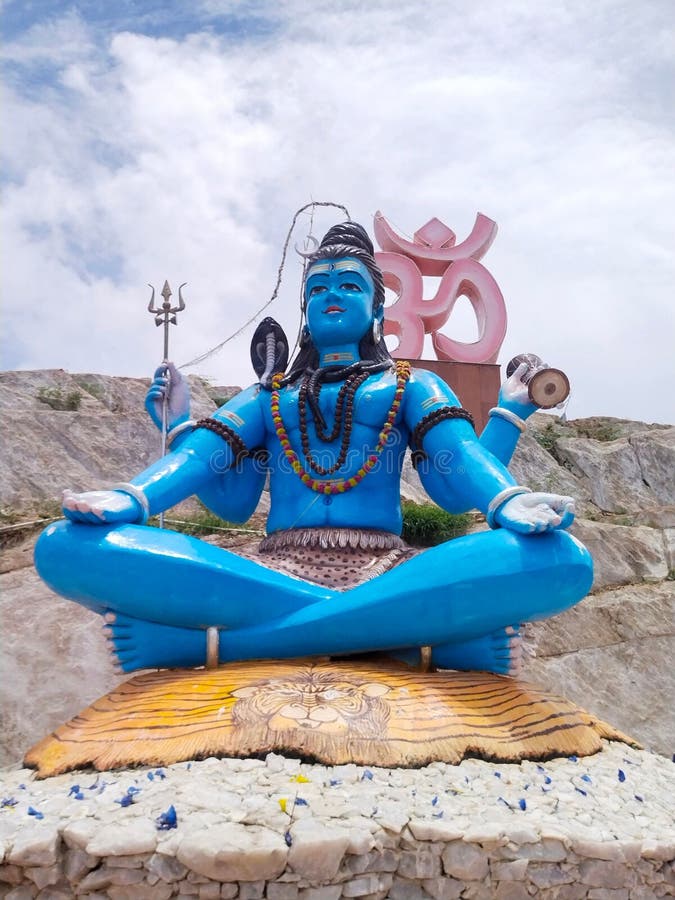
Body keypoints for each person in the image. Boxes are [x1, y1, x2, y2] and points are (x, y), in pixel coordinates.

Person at [35, 222, 592, 676]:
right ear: (304, 309)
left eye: (349, 285)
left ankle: (224, 647)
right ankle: (412, 642)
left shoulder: (411, 384)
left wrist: (504, 499)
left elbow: (456, 471)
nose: (332, 295)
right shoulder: (268, 397)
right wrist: (138, 490)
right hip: (272, 568)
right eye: (319, 287)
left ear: (377, 310)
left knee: (561, 559)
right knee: (65, 546)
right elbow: (214, 477)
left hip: (386, 567)